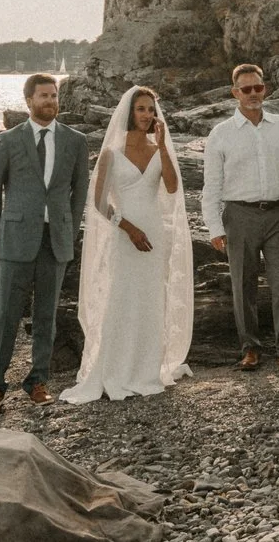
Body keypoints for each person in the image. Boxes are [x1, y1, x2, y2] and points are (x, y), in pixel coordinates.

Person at [64, 86, 194, 402]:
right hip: (124, 235)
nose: (148, 115)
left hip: (153, 235)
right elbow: (98, 203)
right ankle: (115, 369)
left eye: (151, 109)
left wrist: (162, 146)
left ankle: (146, 369)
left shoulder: (156, 148)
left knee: (151, 298)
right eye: (141, 109)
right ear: (129, 113)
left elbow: (173, 187)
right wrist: (127, 227)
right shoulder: (111, 152)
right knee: (121, 297)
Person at [0, 73, 92, 416]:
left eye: (54, 96)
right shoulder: (9, 139)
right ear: (29, 101)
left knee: (46, 315)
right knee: (5, 316)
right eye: (44, 96)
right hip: (15, 237)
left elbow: (80, 191)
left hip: (54, 240)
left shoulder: (75, 141)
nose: (50, 102)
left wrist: (68, 233)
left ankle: (38, 381)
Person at [203, 62, 279, 371]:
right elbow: (212, 186)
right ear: (235, 93)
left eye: (257, 88)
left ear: (265, 88)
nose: (252, 94)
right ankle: (250, 349)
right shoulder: (220, 134)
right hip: (239, 215)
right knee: (242, 285)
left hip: (278, 214)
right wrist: (214, 227)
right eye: (245, 89)